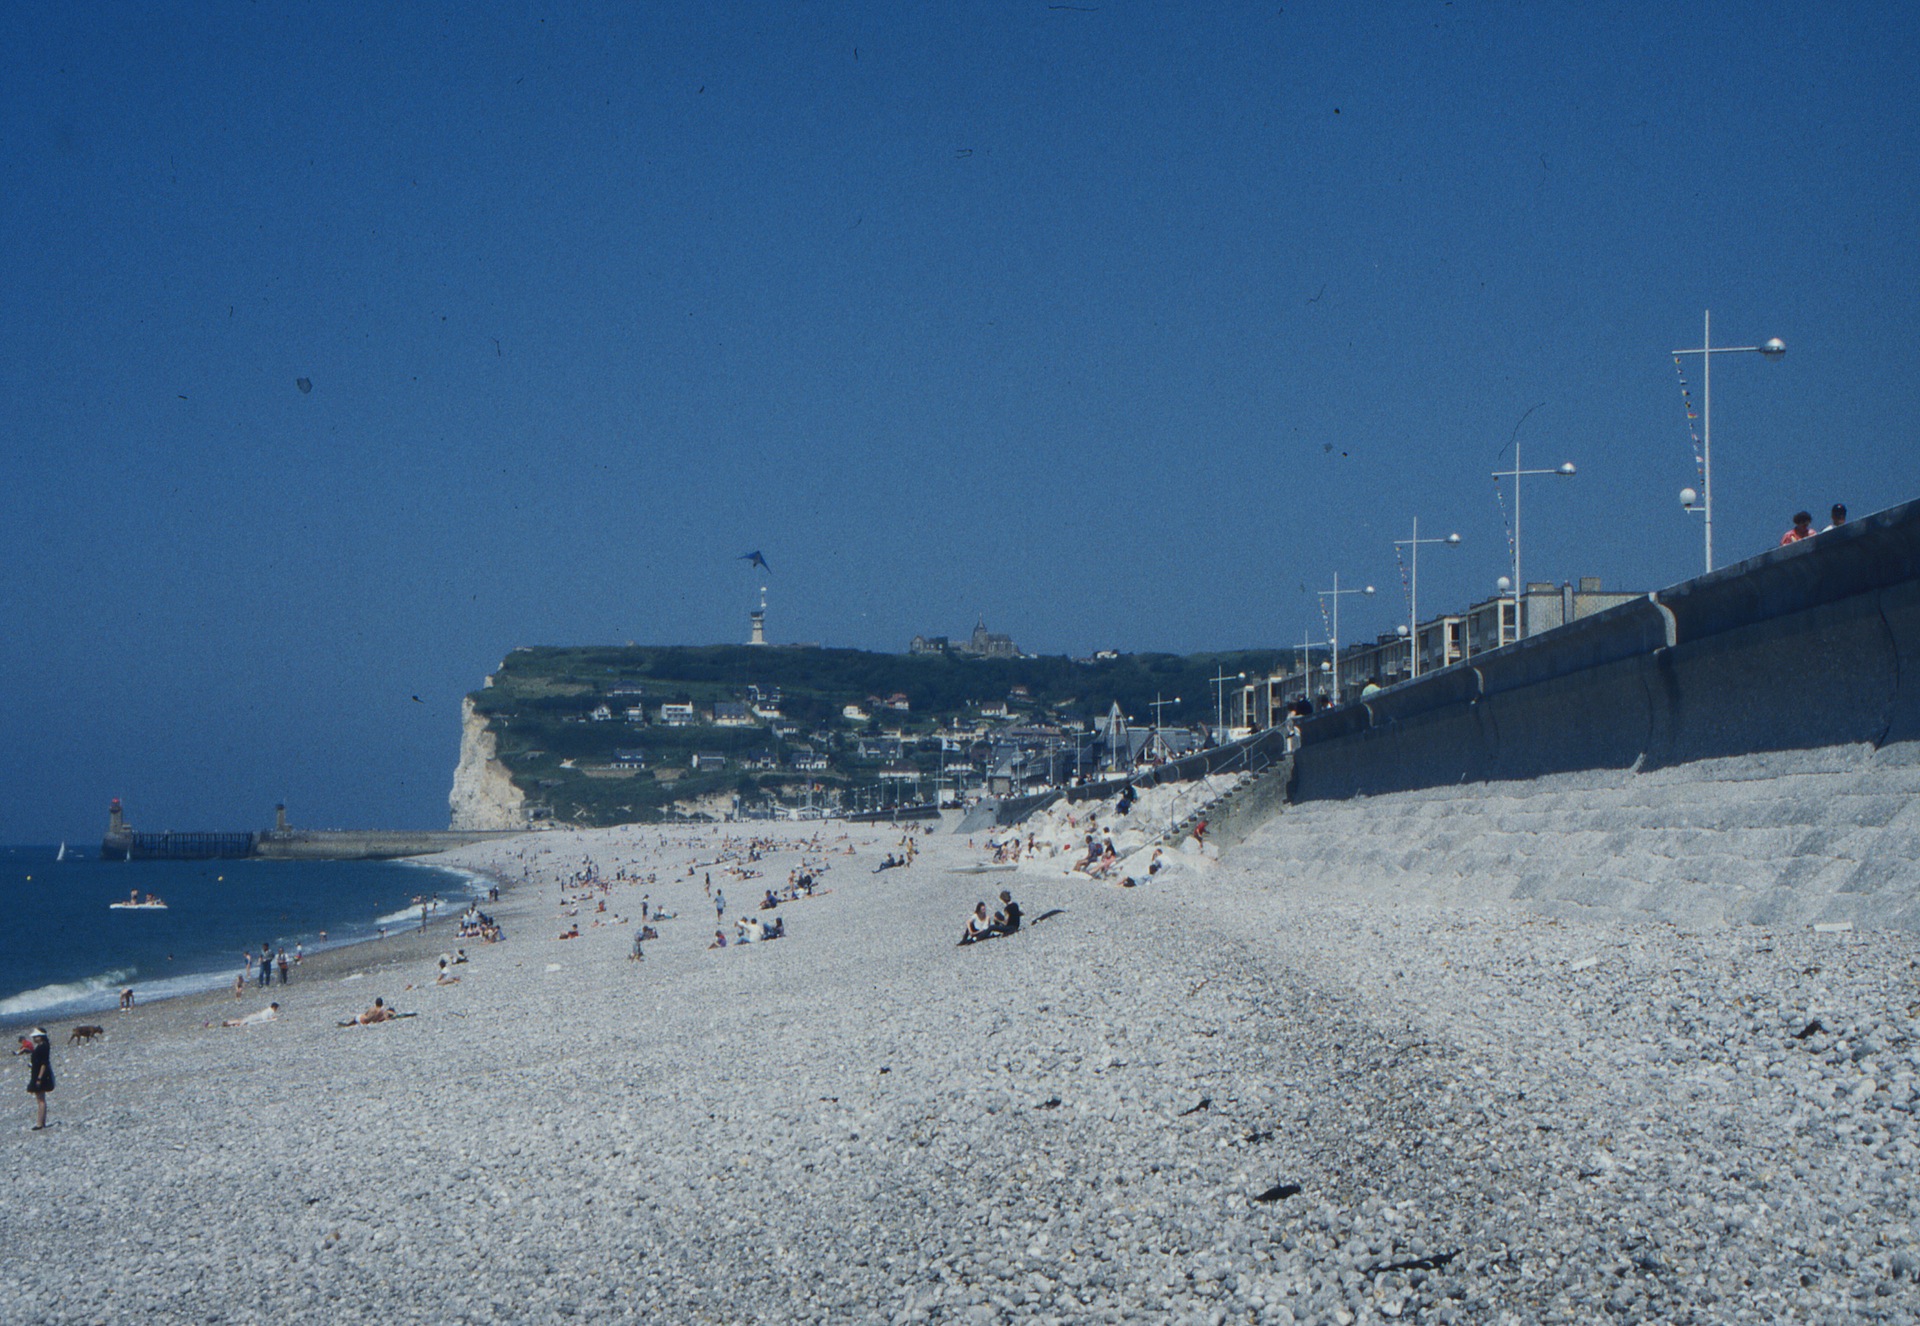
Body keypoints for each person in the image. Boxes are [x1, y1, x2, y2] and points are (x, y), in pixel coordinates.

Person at [16, 1028, 52, 1129]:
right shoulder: (44, 1046)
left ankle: (40, 1123)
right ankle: (42, 1122)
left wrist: (39, 1078)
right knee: (41, 1099)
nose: (34, 1038)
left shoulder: (42, 1047)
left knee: (40, 1099)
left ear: (41, 1037)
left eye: (36, 1037)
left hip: (39, 1075)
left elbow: (44, 1063)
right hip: (39, 1074)